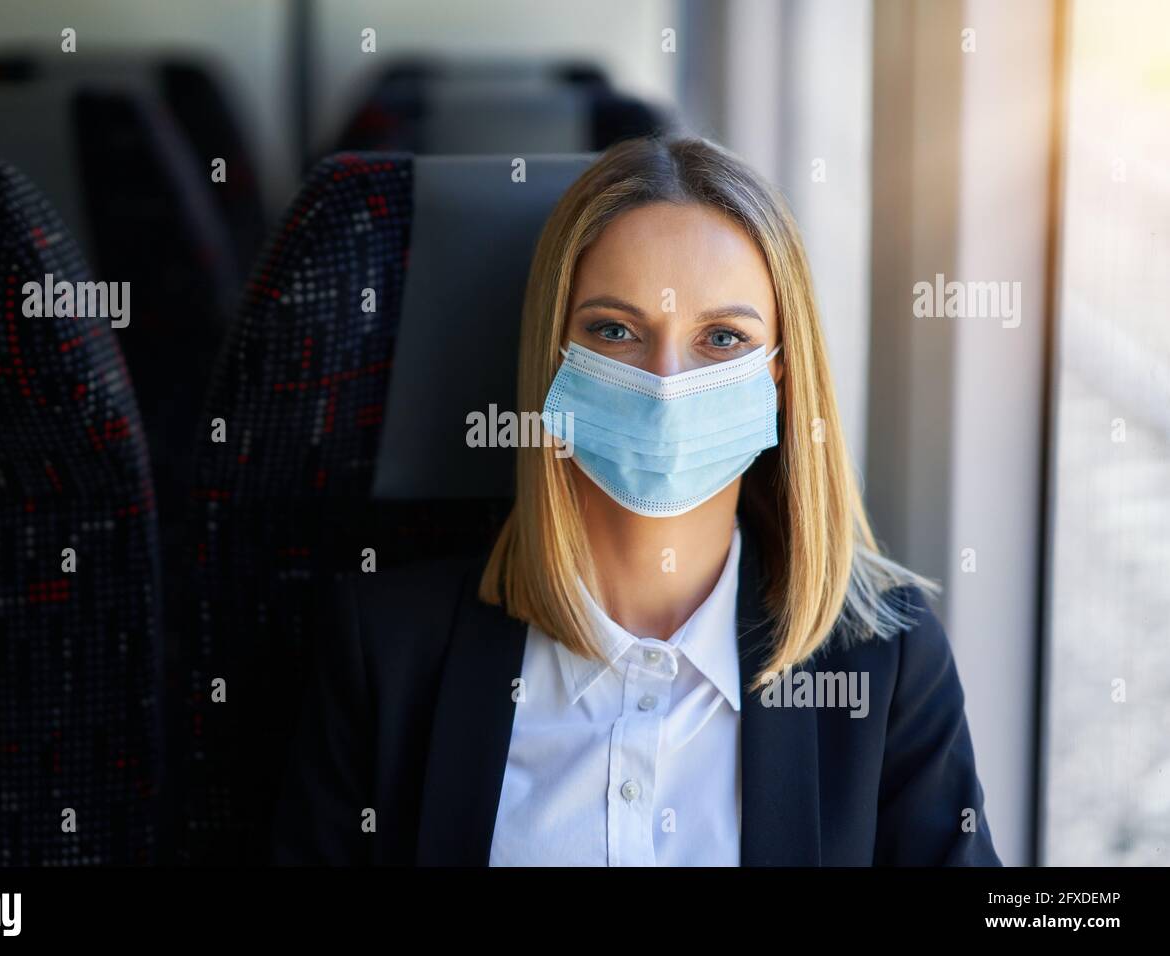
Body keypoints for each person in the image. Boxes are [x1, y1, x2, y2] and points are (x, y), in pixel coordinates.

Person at [273, 136, 1001, 866]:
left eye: (721, 337)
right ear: (554, 357)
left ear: (781, 378)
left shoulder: (885, 662)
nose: (664, 383)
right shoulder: (386, 655)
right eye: (614, 330)